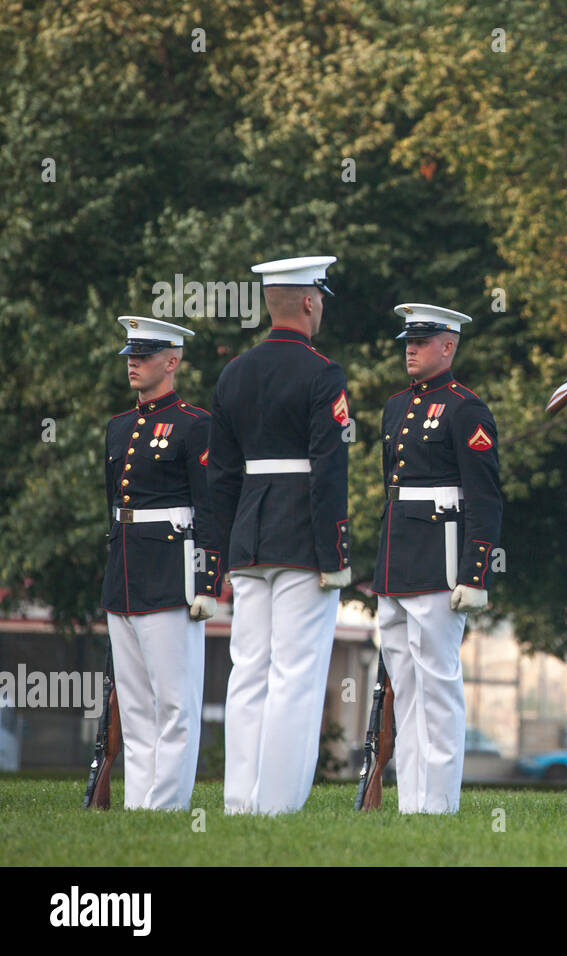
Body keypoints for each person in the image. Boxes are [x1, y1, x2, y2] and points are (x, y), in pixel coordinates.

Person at [209, 256, 352, 815]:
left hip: (248, 534)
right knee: (296, 672)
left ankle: (239, 801)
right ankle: (278, 805)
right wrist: (334, 551)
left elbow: (219, 475)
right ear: (310, 302)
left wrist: (223, 548)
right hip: (301, 539)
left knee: (248, 671)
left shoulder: (233, 373)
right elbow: (328, 470)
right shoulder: (323, 372)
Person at [371, 303, 502, 813]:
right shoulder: (395, 405)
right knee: (404, 687)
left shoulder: (466, 408)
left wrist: (476, 572)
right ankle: (412, 803)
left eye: (422, 340)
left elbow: (484, 498)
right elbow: (391, 489)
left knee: (438, 687)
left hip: (441, 560)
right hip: (397, 557)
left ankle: (439, 803)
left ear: (448, 346)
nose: (411, 347)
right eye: (409, 339)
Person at [101, 316, 221, 810]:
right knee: (134, 704)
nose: (134, 363)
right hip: (125, 572)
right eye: (131, 354)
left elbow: (210, 508)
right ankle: (139, 805)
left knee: (174, 702)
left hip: (172, 571)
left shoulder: (196, 425)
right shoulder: (118, 427)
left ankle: (166, 804)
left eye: (144, 355)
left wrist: (207, 581)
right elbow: (112, 507)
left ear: (171, 362)